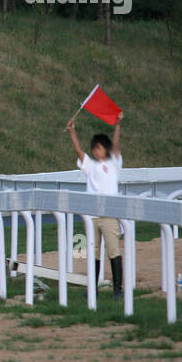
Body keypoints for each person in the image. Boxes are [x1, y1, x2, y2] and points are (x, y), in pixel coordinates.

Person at [67, 111, 124, 294]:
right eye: (94, 148)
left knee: (113, 252)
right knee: (93, 252)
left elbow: (116, 145)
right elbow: (78, 151)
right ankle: (92, 287)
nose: (95, 151)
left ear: (105, 149)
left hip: (109, 214)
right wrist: (72, 132)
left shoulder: (114, 163)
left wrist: (117, 126)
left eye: (98, 148)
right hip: (92, 215)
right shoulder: (90, 166)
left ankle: (117, 289)